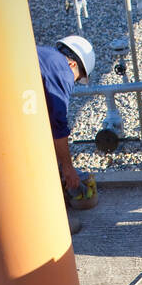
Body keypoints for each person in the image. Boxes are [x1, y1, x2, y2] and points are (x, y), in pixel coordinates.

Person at [36, 35, 96, 225]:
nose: (72, 82)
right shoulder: (61, 70)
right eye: (77, 79)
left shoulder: (45, 56)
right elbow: (58, 123)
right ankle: (53, 225)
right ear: (72, 64)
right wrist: (68, 167)